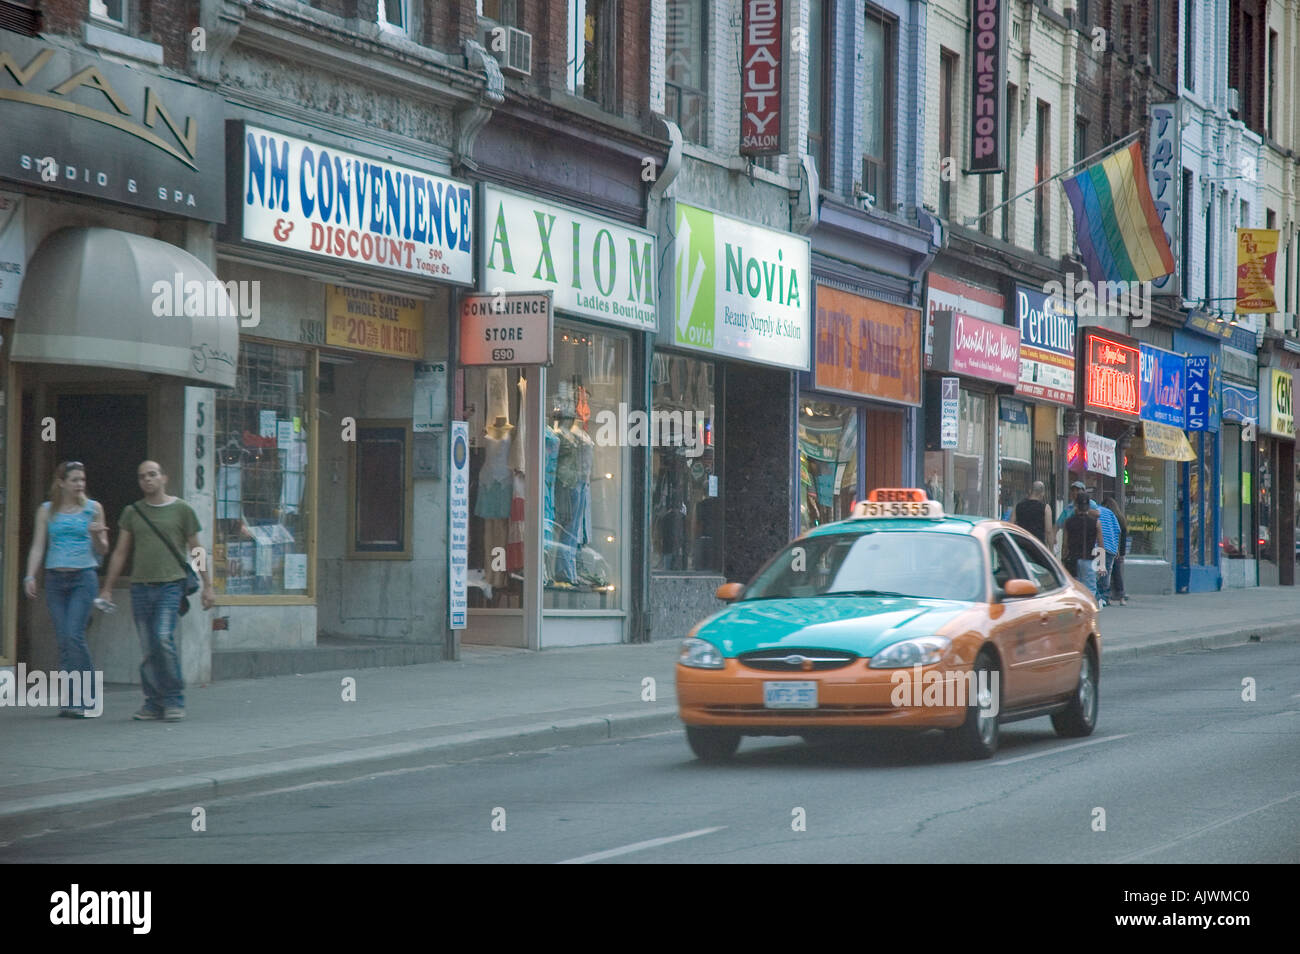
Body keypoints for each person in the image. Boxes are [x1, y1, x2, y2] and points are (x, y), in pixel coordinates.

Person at [98, 461, 215, 722]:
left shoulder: (182, 509)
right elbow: (120, 551)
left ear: (164, 477)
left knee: (162, 638)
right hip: (140, 587)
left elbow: (196, 549)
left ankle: (174, 699)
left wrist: (208, 585)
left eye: (152, 475)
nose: (147, 480)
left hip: (171, 586)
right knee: (149, 647)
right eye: (142, 477)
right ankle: (153, 702)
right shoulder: (133, 512)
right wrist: (107, 588)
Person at [23, 462, 109, 717]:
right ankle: (71, 700)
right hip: (55, 579)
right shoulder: (47, 511)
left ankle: (88, 697)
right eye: (74, 480)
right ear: (61, 482)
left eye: (82, 479)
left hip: (83, 578)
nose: (80, 484)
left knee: (74, 636)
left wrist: (96, 535)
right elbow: (39, 545)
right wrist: (30, 575)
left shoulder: (93, 509)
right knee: (63, 640)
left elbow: (103, 549)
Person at [1061, 492, 1100, 597]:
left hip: (1072, 560)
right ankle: (1089, 609)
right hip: (1089, 559)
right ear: (1088, 506)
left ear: (1076, 505)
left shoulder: (1068, 522)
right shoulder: (1095, 523)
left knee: (1074, 588)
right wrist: (1101, 564)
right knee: (1090, 589)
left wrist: (1063, 558)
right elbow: (1101, 545)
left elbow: (1065, 545)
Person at [1093, 493, 1121, 606]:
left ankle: (1097, 596)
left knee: (1095, 572)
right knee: (1106, 572)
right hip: (1111, 548)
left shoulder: (1094, 512)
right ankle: (1104, 597)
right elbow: (1118, 530)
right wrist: (1117, 548)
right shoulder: (1110, 513)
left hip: (1098, 547)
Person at [1013, 480, 1056, 549]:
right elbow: (1048, 531)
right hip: (1037, 547)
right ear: (1042, 493)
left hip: (1021, 545)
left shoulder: (1018, 506)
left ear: (1030, 491)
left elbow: (1011, 525)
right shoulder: (1046, 508)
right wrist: (1051, 550)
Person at [1103, 494, 1129, 605]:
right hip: (1117, 550)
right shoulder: (1120, 518)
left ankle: (1107, 596)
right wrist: (1122, 553)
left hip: (1110, 548)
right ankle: (1121, 596)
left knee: (1107, 573)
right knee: (1117, 573)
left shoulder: (1108, 518)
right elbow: (1123, 537)